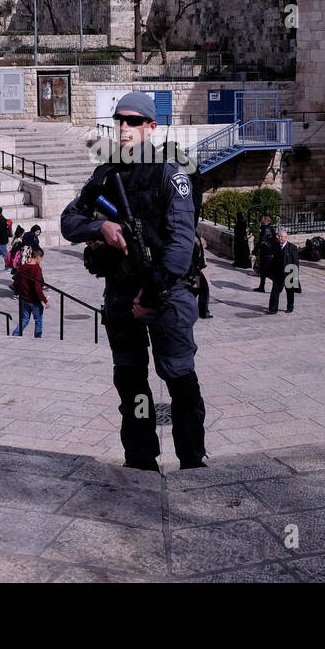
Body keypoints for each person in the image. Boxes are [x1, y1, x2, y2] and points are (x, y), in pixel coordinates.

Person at [61, 90, 207, 472]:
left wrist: (154, 294)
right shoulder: (106, 174)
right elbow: (68, 222)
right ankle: (141, 457)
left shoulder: (171, 172)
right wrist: (102, 226)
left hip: (166, 293)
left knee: (178, 377)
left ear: (151, 127)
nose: (124, 129)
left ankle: (192, 458)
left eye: (133, 121)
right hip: (123, 294)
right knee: (130, 381)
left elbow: (180, 244)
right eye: (119, 121)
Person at [12, 247, 50, 338]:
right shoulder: (37, 269)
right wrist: (45, 301)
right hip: (34, 300)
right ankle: (38, 337)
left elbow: (16, 282)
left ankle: (15, 334)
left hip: (24, 299)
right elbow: (37, 287)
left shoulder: (22, 266)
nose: (40, 261)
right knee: (38, 320)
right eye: (41, 259)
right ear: (38, 257)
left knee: (25, 319)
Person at [268, 229, 300, 314]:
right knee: (275, 291)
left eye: (281, 236)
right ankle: (273, 309)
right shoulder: (276, 246)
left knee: (289, 292)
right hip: (278, 273)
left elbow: (296, 262)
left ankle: (290, 307)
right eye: (279, 236)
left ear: (286, 238)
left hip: (289, 273)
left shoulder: (292, 248)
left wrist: (295, 276)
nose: (280, 238)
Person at [254, 214, 277, 290]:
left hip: (267, 253)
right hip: (267, 252)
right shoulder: (268, 228)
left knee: (268, 271)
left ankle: (277, 285)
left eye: (262, 219)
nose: (260, 220)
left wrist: (253, 252)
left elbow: (261, 241)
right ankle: (261, 287)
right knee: (263, 271)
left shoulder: (266, 229)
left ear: (265, 221)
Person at [193, 235, 213, 318]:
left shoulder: (191, 233)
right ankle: (203, 312)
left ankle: (200, 311)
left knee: (196, 288)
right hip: (195, 269)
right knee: (203, 289)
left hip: (194, 269)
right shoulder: (192, 235)